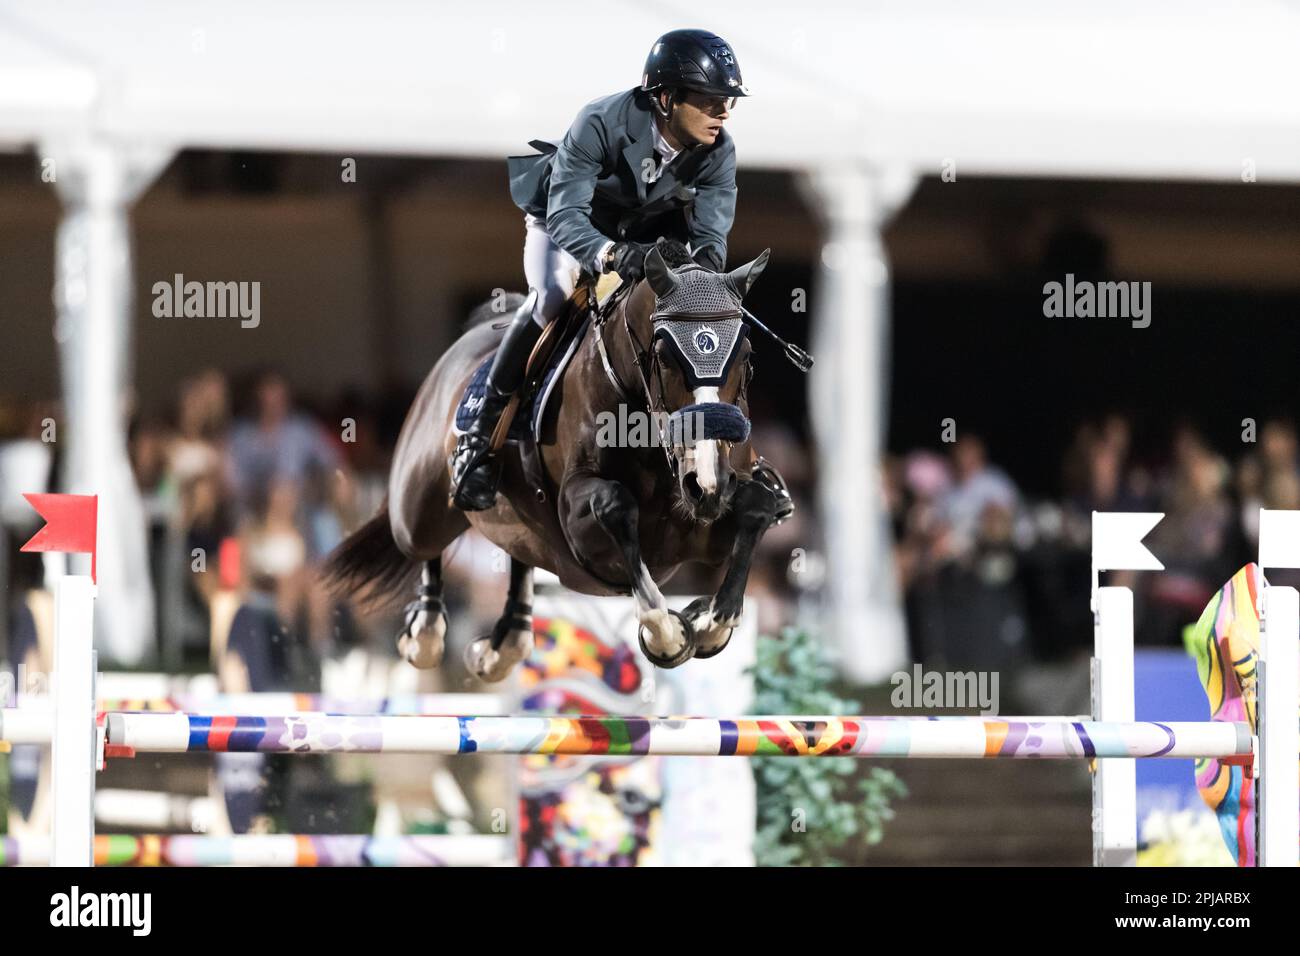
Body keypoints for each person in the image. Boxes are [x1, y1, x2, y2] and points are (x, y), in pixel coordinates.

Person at [450, 29, 792, 523]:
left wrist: (701, 286)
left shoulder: (719, 151)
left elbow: (712, 244)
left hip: (646, 234)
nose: (724, 113)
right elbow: (569, 216)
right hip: (567, 222)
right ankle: (478, 439)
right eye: (712, 101)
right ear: (667, 98)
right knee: (551, 295)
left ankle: (741, 462)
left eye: (727, 102)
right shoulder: (601, 122)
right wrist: (610, 255)